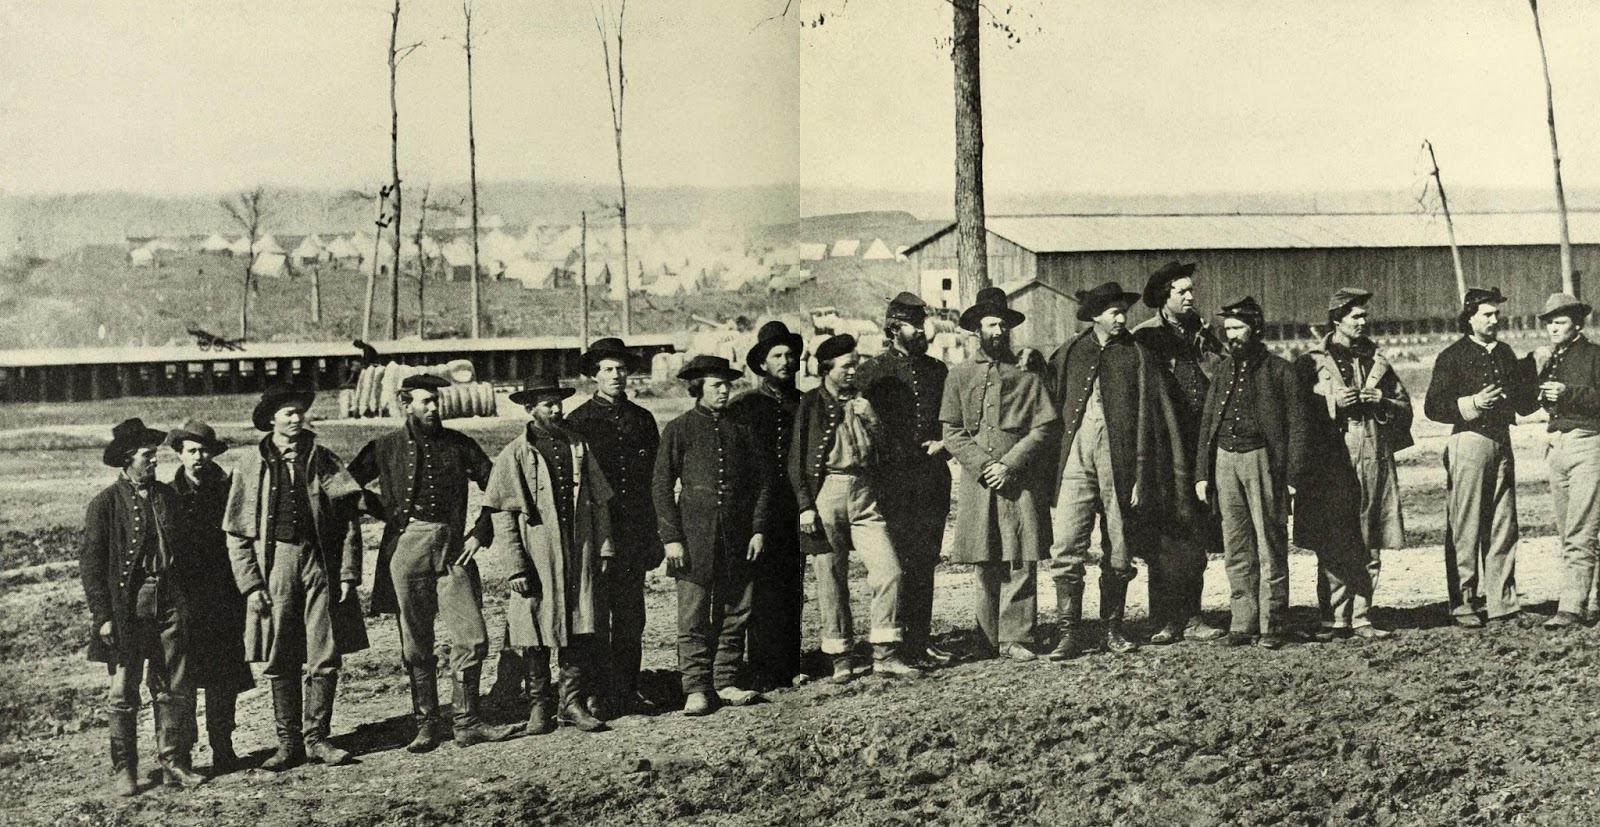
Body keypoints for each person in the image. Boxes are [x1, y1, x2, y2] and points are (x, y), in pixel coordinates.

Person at [347, 374, 520, 751]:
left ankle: (467, 721)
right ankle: (426, 724)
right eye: (425, 401)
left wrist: (480, 532)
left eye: (436, 400)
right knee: (416, 641)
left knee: (472, 636)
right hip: (406, 547)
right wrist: (382, 509)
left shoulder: (459, 444)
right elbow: (345, 484)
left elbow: (497, 486)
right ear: (405, 404)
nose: (433, 407)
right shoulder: (384, 447)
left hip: (454, 548)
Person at [1044, 282, 1191, 658]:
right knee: (1066, 546)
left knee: (1119, 547)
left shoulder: (1138, 355)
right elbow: (1050, 407)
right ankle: (1069, 633)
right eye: (1114, 312)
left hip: (1120, 464)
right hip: (1075, 460)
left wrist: (1142, 474)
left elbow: (1154, 421)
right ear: (1095, 315)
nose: (1122, 319)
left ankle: (1112, 629)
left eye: (1124, 312)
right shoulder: (1070, 352)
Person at [225, 386, 367, 769]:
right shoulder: (249, 464)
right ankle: (288, 744)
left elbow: (349, 521)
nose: (296, 418)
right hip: (276, 563)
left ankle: (317, 739)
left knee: (324, 649)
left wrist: (348, 572)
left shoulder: (324, 459)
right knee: (280, 649)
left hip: (319, 561)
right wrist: (251, 584)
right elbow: (237, 534)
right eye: (288, 412)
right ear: (271, 419)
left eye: (299, 411)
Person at [81, 418, 205, 796]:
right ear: (127, 459)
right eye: (147, 455)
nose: (154, 460)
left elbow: (187, 551)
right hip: (128, 611)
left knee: (173, 687)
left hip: (171, 603)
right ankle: (125, 769)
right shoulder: (104, 504)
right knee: (123, 692)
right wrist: (103, 616)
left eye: (154, 455)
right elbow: (92, 566)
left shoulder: (168, 496)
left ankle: (174, 763)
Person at [482, 374, 611, 734]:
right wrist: (516, 567)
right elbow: (503, 514)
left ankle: (571, 703)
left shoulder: (578, 446)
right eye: (547, 405)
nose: (556, 410)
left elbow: (600, 501)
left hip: (578, 547)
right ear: (530, 409)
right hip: (536, 554)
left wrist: (604, 546)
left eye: (558, 403)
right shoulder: (515, 453)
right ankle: (540, 705)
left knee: (580, 623)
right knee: (535, 627)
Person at [792, 334, 922, 682]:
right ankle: (841, 656)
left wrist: (873, 419)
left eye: (855, 365)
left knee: (889, 571)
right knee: (831, 577)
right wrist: (805, 506)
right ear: (826, 369)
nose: (853, 371)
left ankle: (885, 653)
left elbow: (890, 454)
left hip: (865, 492)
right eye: (846, 366)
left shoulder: (866, 402)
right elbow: (796, 460)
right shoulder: (810, 404)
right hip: (827, 493)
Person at [940, 288, 1058, 661]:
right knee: (985, 557)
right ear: (977, 329)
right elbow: (952, 432)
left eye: (1003, 325)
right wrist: (984, 466)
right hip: (980, 483)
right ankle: (987, 636)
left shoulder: (1027, 375)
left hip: (1019, 480)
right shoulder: (958, 375)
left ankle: (1017, 637)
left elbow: (1044, 427)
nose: (998, 332)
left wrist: (1010, 464)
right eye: (991, 325)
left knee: (1021, 557)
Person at [654, 354, 774, 715]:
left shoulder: (742, 430)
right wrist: (672, 538)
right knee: (692, 614)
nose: (725, 391)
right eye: (716, 385)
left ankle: (726, 680)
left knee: (737, 609)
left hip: (737, 537)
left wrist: (757, 530)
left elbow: (763, 484)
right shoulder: (679, 429)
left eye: (727, 385)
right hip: (694, 537)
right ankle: (695, 688)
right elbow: (661, 486)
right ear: (698, 388)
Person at [1294, 288, 1411, 640]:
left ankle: (1361, 615)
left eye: (1365, 316)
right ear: (1337, 320)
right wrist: (1332, 404)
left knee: (1369, 535)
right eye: (1356, 316)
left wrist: (1382, 400)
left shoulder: (1377, 360)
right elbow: (1296, 411)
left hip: (1373, 453)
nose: (1363, 322)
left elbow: (1406, 408)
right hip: (1332, 458)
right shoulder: (1311, 362)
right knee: (1333, 536)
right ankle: (1333, 618)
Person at [1194, 299, 1308, 648]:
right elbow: (1207, 422)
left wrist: (1292, 477)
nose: (1232, 335)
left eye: (1238, 328)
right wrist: (1202, 473)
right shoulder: (1223, 370)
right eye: (1227, 329)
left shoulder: (1280, 370)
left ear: (1255, 328)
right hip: (1225, 461)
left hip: (1263, 461)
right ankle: (1242, 622)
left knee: (1270, 544)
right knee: (1236, 546)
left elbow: (1298, 426)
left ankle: (1273, 623)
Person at [1423, 288, 1538, 628]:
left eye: (1497, 314)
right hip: (1468, 442)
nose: (1494, 320)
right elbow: (1432, 407)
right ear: (1469, 318)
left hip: (1502, 440)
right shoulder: (1452, 356)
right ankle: (1463, 603)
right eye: (1487, 314)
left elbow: (1524, 403)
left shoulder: (1505, 353)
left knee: (1503, 524)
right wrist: (1472, 403)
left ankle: (1503, 603)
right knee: (1466, 525)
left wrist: (1536, 370)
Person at [564, 338, 665, 716]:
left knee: (630, 615)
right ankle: (595, 692)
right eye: (607, 369)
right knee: (595, 614)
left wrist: (655, 533)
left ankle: (627, 689)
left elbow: (655, 480)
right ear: (594, 375)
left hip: (634, 533)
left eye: (621, 368)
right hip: (595, 534)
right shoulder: (579, 422)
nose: (616, 375)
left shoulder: (643, 419)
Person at [1129, 261, 1227, 644]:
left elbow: (1221, 373)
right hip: (1164, 448)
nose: (1190, 297)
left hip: (1201, 445)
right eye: (1181, 291)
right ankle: (1166, 618)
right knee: (1166, 532)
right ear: (1163, 297)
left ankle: (1193, 615)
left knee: (1196, 531)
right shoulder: (1145, 338)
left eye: (1191, 290)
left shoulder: (1204, 334)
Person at [858, 292, 955, 667]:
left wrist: (945, 444)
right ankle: (891, 643)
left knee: (925, 559)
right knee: (894, 560)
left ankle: (919, 641)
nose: (923, 332)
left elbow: (954, 419)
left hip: (931, 479)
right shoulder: (871, 372)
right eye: (915, 326)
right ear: (893, 329)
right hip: (890, 481)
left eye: (923, 324)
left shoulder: (938, 370)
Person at [165, 419, 252, 773]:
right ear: (180, 454)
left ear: (212, 454)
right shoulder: (168, 495)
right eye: (191, 451)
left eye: (203, 451)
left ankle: (223, 747)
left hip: (225, 597)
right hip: (185, 600)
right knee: (183, 679)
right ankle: (183, 753)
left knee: (224, 677)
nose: (198, 457)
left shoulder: (228, 490)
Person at [727, 321, 807, 690]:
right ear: (762, 364)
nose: (785, 361)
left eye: (790, 355)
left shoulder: (804, 404)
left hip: (794, 506)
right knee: (757, 586)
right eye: (777, 355)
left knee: (791, 583)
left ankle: (789, 662)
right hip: (754, 510)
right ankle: (759, 665)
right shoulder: (743, 406)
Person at [1529, 293, 1600, 629]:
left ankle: (1571, 607)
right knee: (1568, 530)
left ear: (1577, 324)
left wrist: (1568, 393)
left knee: (1580, 531)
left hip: (1588, 442)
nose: (1553, 328)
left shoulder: (1594, 355)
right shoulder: (1551, 358)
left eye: (1559, 322)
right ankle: (1592, 601)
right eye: (1549, 323)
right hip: (1556, 444)